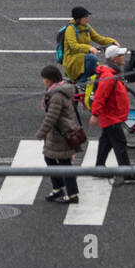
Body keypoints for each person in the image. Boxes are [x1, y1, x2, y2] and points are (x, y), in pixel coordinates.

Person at [90, 48, 135, 184]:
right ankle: (128, 174)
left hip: (111, 115)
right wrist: (95, 114)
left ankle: (99, 168)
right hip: (111, 116)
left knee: (105, 142)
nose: (123, 56)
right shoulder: (109, 76)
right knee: (120, 144)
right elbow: (101, 96)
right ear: (113, 59)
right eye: (120, 55)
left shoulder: (113, 72)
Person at [36, 65, 83, 204]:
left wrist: (40, 133)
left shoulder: (56, 95)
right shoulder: (58, 90)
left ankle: (73, 194)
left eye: (44, 78)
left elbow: (52, 117)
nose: (43, 81)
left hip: (62, 133)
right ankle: (58, 188)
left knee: (64, 163)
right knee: (50, 159)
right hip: (57, 133)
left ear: (50, 79)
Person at [62, 7, 116, 84]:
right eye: (85, 18)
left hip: (83, 58)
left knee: (98, 71)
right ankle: (82, 83)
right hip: (72, 60)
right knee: (92, 58)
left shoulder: (87, 27)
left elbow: (98, 38)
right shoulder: (70, 29)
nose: (87, 20)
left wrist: (112, 41)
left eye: (87, 17)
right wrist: (89, 48)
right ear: (78, 19)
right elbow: (73, 46)